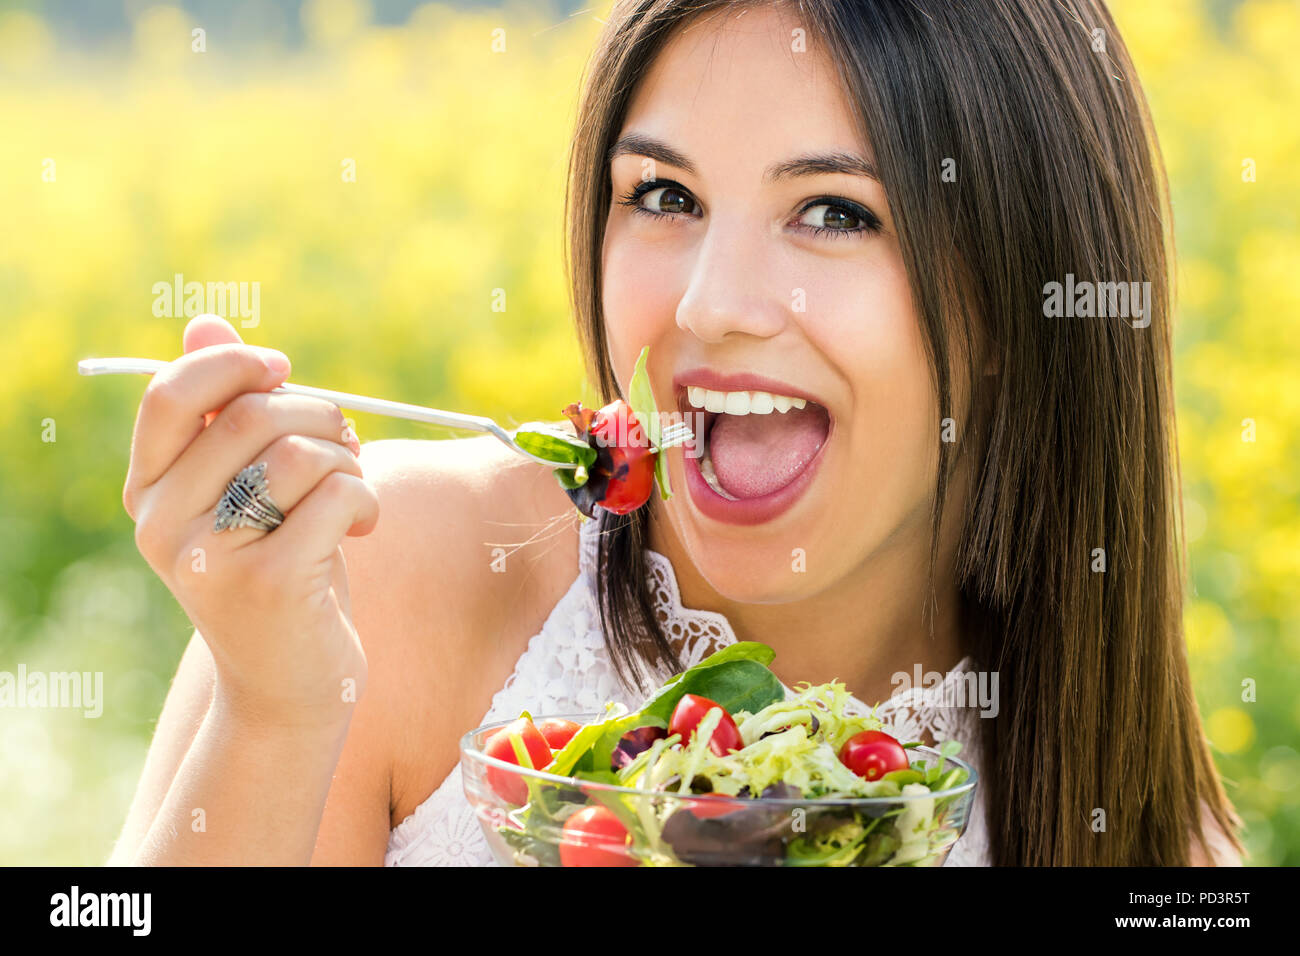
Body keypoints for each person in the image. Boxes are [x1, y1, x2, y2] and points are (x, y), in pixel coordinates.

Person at [108, 0, 1243, 866]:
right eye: (662, 195)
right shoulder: (379, 581)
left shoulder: (1139, 830)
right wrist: (273, 711)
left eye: (836, 213)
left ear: (1023, 295)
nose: (707, 303)